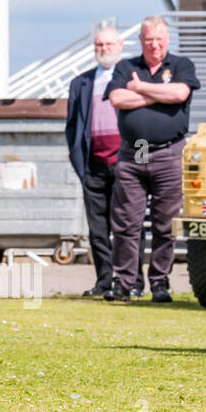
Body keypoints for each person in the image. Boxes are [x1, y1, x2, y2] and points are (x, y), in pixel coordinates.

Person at [104, 16, 199, 304]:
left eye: (159, 39)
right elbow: (118, 99)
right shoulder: (126, 67)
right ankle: (125, 283)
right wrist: (160, 96)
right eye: (148, 40)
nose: (154, 45)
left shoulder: (181, 65)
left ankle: (160, 283)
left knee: (165, 223)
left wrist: (141, 89)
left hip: (168, 150)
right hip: (136, 150)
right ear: (141, 40)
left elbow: (180, 93)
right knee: (126, 223)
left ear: (167, 40)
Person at [65, 23, 137, 298]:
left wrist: (140, 162)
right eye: (99, 45)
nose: (104, 49)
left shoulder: (133, 79)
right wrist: (79, 163)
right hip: (93, 167)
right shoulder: (81, 84)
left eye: (109, 44)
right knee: (98, 230)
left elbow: (144, 126)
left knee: (128, 228)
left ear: (120, 47)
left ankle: (131, 282)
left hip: (127, 165)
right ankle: (104, 281)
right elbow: (72, 127)